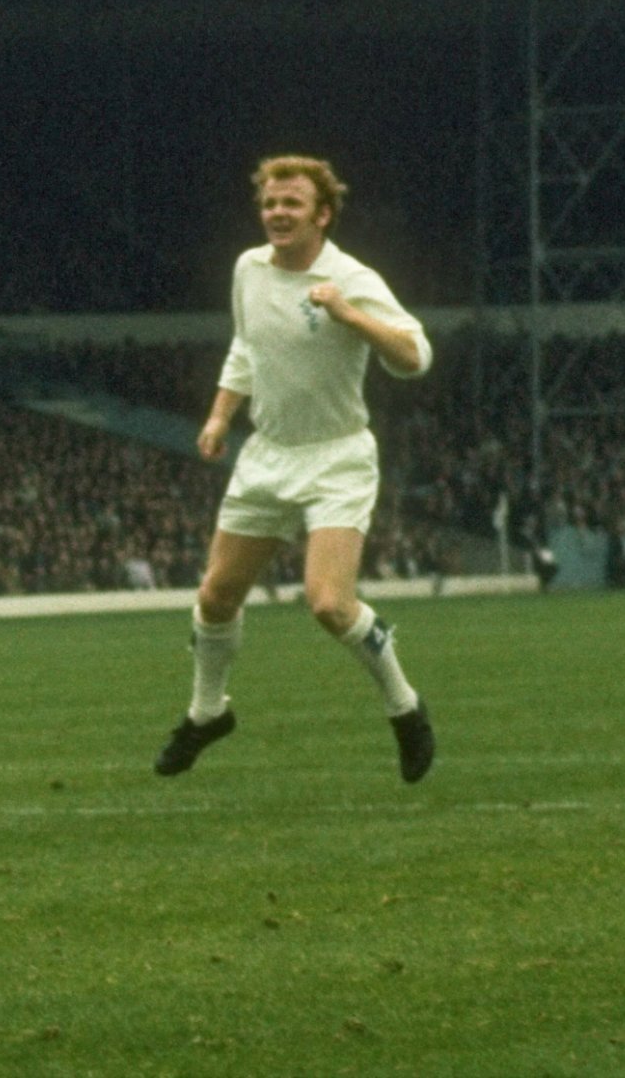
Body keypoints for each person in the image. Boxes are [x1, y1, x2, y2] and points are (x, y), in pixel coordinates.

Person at [156, 155, 437, 784]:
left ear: (323, 214)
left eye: (292, 204)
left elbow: (416, 356)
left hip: (337, 457)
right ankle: (207, 713)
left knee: (329, 604)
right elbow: (247, 346)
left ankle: (405, 707)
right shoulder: (248, 269)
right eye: (270, 204)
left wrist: (350, 315)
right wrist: (219, 416)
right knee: (215, 596)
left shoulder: (351, 278)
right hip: (268, 455)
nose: (278, 213)